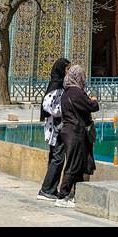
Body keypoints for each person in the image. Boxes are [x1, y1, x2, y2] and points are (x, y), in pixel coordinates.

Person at [54, 64, 99, 207]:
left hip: (68, 131)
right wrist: (94, 99)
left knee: (77, 163)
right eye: (82, 75)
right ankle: (62, 196)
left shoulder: (66, 92)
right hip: (75, 132)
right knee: (73, 164)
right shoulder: (76, 92)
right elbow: (92, 107)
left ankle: (74, 194)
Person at [37, 57, 70, 201]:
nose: (68, 71)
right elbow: (47, 104)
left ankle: (51, 189)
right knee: (58, 157)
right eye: (67, 68)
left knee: (55, 157)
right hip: (56, 127)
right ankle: (46, 190)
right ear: (61, 69)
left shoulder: (60, 84)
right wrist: (62, 111)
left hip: (55, 127)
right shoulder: (56, 85)